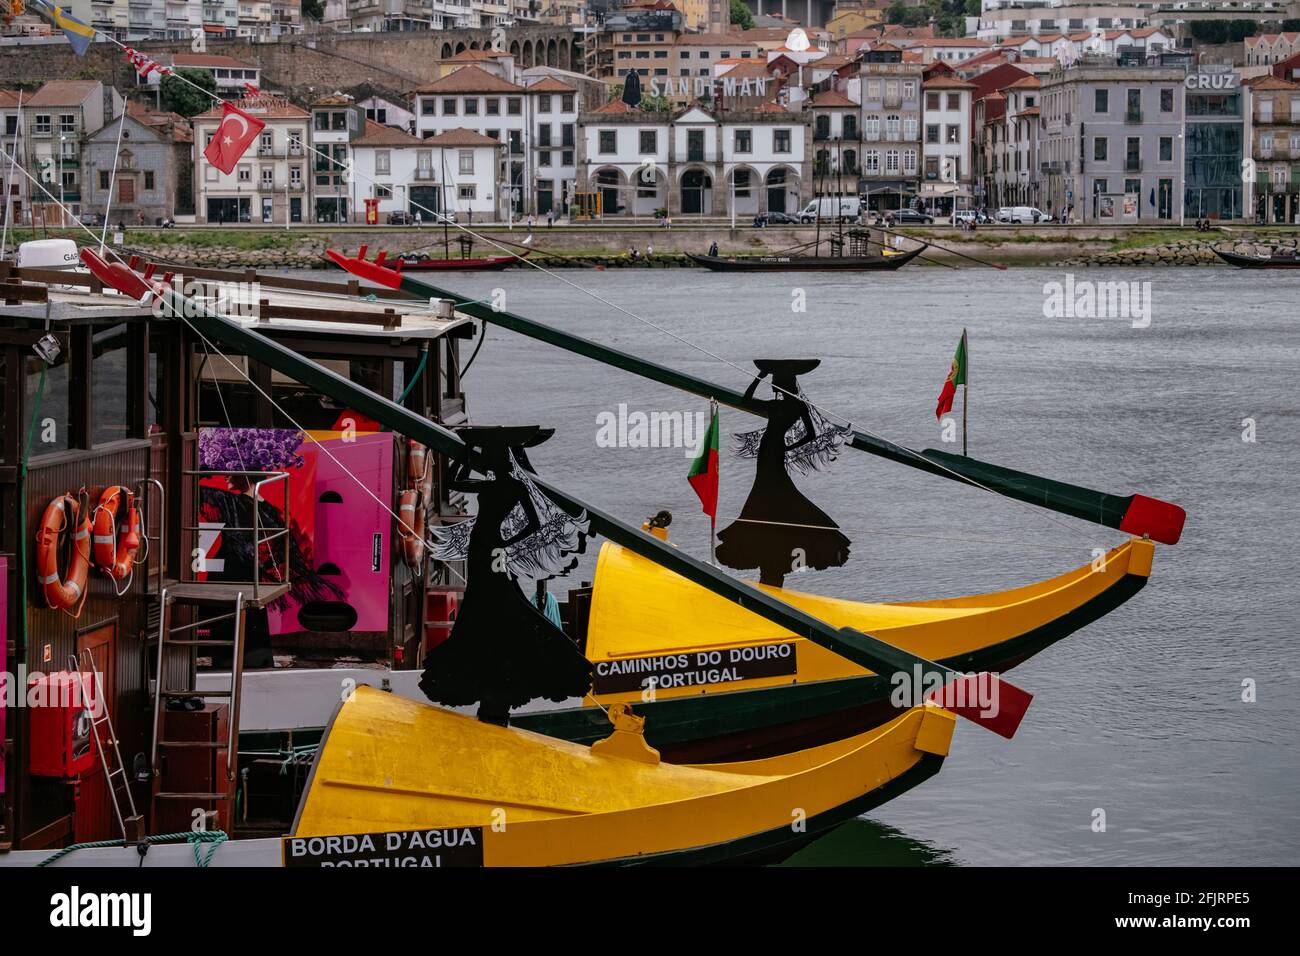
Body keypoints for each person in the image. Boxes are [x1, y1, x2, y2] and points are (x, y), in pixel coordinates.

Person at [420, 426, 591, 725]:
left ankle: (516, 669)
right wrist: (466, 452)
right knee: (480, 603)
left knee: (499, 602)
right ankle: (492, 673)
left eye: (494, 459)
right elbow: (454, 480)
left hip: (494, 550)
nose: (491, 465)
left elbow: (534, 523)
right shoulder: (490, 485)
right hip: (479, 548)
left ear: (505, 460)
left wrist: (509, 547)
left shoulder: (515, 486)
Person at [715, 360, 851, 588]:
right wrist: (788, 447)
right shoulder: (797, 407)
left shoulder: (776, 407)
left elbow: (746, 400)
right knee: (776, 492)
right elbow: (809, 434)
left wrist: (759, 375)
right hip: (774, 452)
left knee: (771, 492)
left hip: (768, 453)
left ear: (780, 386)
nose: (773, 387)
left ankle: (774, 547)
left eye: (774, 383)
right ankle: (778, 547)